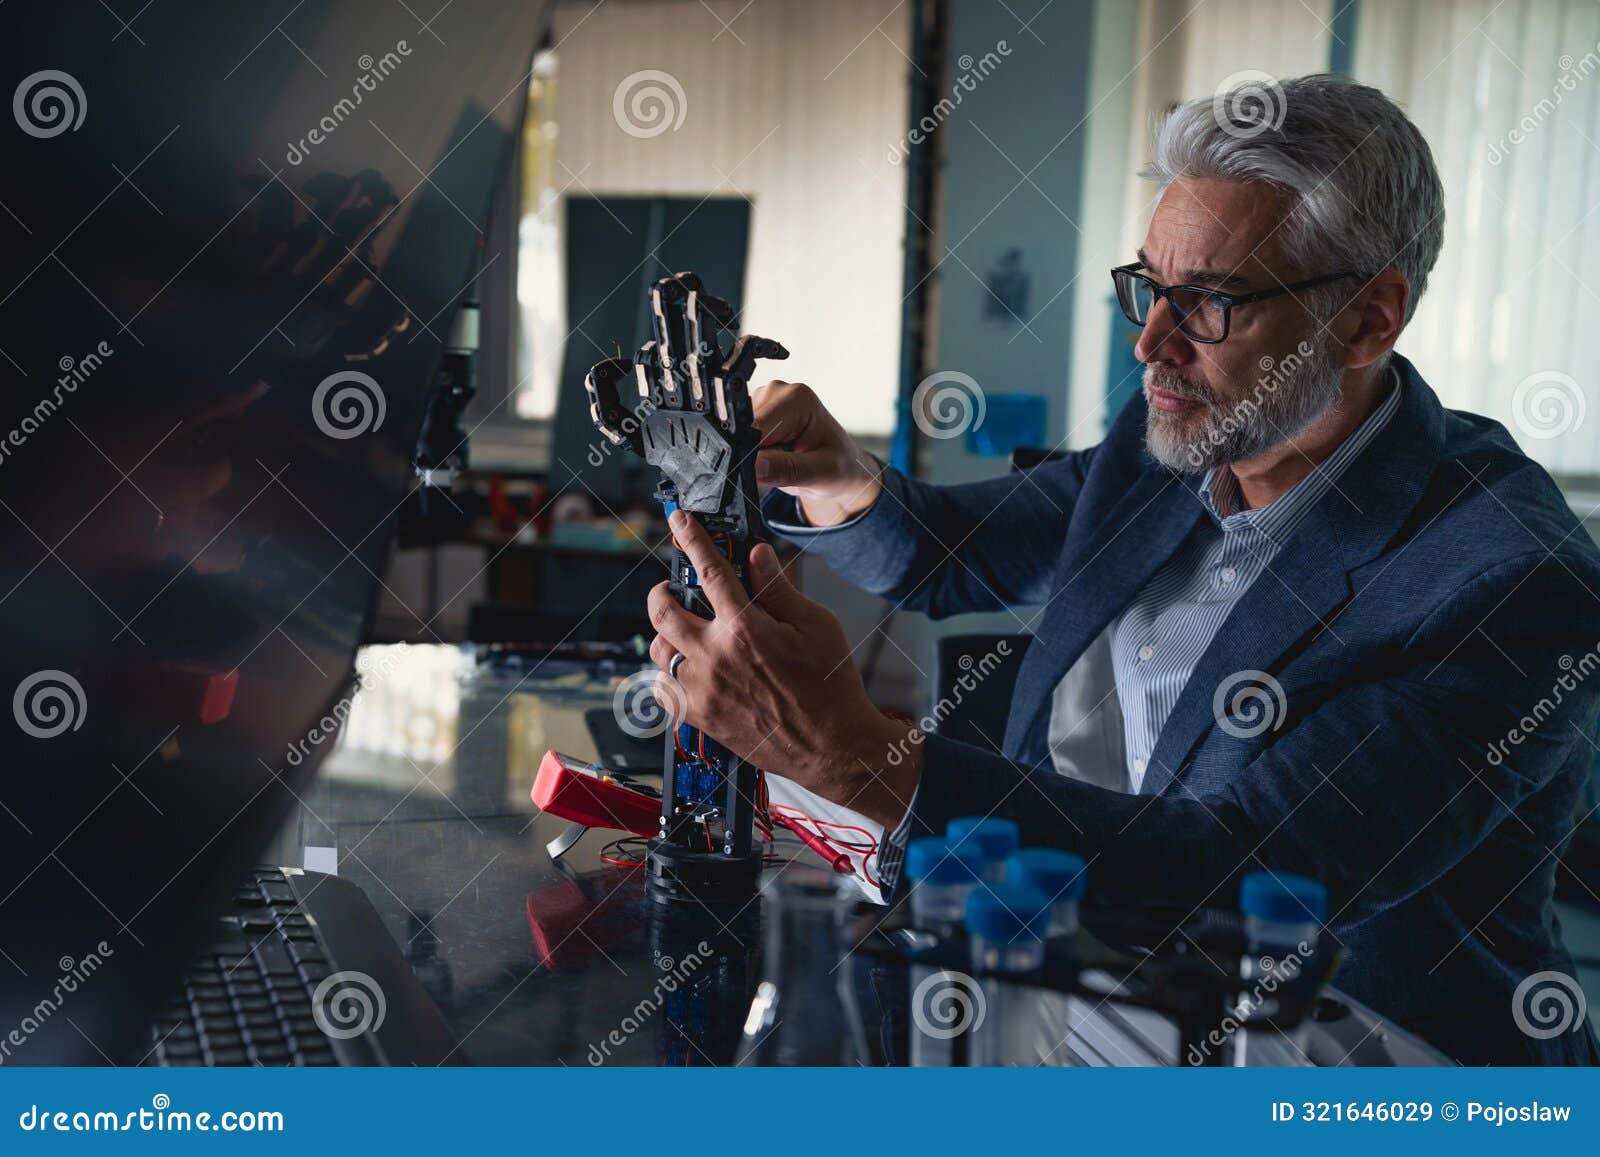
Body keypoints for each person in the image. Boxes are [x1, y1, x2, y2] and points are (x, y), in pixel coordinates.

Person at [644, 74, 1600, 1066]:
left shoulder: (1511, 583)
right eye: (1149, 286)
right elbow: (952, 555)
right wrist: (842, 478)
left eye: (1212, 303)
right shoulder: (1173, 447)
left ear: (1367, 320)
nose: (1149, 343)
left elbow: (1242, 871)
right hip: (1060, 993)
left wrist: (856, 757)